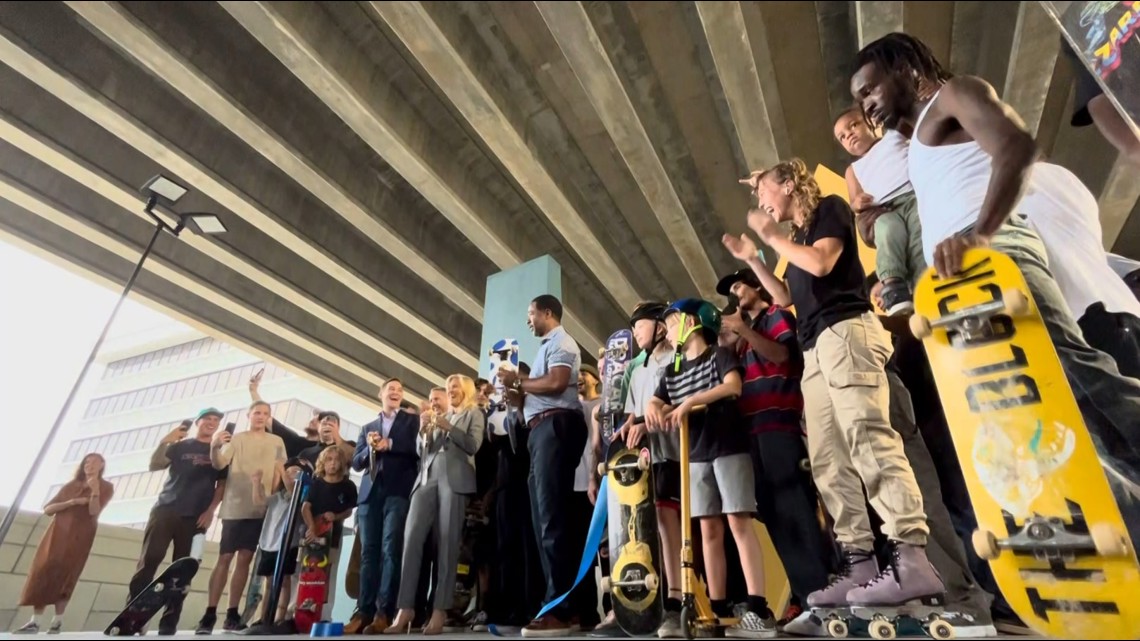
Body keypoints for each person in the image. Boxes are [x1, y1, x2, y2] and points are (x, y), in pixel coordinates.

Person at [850, 31, 1140, 492]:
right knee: (1050, 421)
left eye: (870, 89)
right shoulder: (916, 150)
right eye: (860, 99)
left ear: (905, 67)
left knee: (1075, 375)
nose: (866, 105)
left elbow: (1017, 146)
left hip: (996, 251)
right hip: (965, 280)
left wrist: (980, 233)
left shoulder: (953, 95)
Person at [732, 158, 944, 610]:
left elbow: (823, 262)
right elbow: (784, 297)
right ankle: (859, 563)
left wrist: (771, 238)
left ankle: (911, 557)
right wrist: (753, 259)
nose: (760, 200)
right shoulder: (795, 238)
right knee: (828, 461)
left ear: (789, 184)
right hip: (814, 350)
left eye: (763, 190)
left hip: (845, 331)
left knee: (869, 440)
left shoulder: (829, 209)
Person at [647, 298, 777, 638]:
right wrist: (652, 406)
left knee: (738, 522)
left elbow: (733, 386)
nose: (667, 331)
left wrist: (690, 401)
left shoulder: (719, 355)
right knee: (708, 529)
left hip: (728, 447)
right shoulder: (673, 370)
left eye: (672, 323)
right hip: (695, 453)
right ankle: (718, 609)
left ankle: (758, 607)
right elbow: (658, 399)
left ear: (691, 323)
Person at [714, 269, 835, 633]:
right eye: (732, 290)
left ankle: (822, 599)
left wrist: (745, 330)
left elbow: (783, 356)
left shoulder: (776, 315)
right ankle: (805, 597)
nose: (736, 294)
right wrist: (729, 341)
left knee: (796, 511)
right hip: (752, 433)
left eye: (739, 286)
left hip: (779, 428)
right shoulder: (744, 337)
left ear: (756, 285)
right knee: (777, 518)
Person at [388, 374, 486, 635]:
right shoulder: (437, 416)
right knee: (411, 538)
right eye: (448, 387)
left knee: (448, 543)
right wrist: (423, 433)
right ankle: (405, 608)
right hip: (426, 479)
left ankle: (440, 609)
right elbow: (423, 452)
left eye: (455, 387)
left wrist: (449, 427)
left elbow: (473, 445)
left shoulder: (474, 414)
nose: (450, 390)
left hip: (454, 480)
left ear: (466, 390)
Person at [611, 301, 686, 638]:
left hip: (674, 450)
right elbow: (633, 413)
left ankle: (679, 599)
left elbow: (678, 400)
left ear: (659, 326)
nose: (635, 333)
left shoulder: (675, 359)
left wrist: (644, 421)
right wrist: (626, 428)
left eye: (639, 326)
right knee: (654, 526)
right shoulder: (638, 369)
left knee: (675, 524)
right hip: (647, 459)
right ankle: (669, 596)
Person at [127, 411, 226, 635]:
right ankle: (135, 614)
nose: (211, 423)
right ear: (198, 422)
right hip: (166, 509)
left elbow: (221, 485)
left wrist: (211, 511)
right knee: (149, 560)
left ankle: (168, 622)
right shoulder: (181, 446)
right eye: (207, 419)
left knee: (182, 570)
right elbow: (155, 464)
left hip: (195, 517)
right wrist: (165, 441)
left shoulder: (219, 451)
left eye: (216, 421)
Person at [199, 400, 287, 634]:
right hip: (234, 505)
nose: (261, 416)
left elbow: (280, 471)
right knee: (225, 557)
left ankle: (232, 613)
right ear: (249, 415)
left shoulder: (277, 441)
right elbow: (219, 462)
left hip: (260, 508)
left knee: (245, 559)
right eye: (257, 412)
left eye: (265, 413)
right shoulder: (237, 439)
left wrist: (271, 499)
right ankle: (209, 613)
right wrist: (214, 446)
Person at [833, 108, 926, 315]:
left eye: (853, 125)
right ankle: (892, 284)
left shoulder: (893, 138)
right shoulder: (853, 169)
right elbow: (854, 202)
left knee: (918, 237)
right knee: (888, 230)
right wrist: (858, 202)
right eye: (842, 137)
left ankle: (923, 285)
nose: (849, 135)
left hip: (911, 197)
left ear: (873, 122)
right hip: (882, 210)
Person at [348, 379, 420, 634]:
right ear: (381, 394)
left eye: (400, 390)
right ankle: (363, 612)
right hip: (370, 495)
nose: (396, 392)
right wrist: (369, 448)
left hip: (398, 492)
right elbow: (356, 463)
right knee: (368, 553)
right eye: (391, 389)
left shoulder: (413, 422)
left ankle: (384, 612)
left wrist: (390, 445)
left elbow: (419, 449)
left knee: (391, 549)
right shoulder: (367, 427)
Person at [12, 453, 113, 634]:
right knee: (44, 571)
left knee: (68, 575)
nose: (89, 465)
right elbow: (48, 509)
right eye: (86, 462)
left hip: (80, 537)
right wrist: (71, 502)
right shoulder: (71, 486)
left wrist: (95, 490)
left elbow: (94, 511)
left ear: (102, 465)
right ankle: (35, 621)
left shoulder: (106, 487)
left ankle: (57, 622)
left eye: (93, 462)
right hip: (57, 534)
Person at [250, 459, 306, 626]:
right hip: (269, 543)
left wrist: (281, 469)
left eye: (294, 472)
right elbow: (259, 502)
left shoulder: (299, 495)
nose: (290, 474)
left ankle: (280, 617)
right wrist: (256, 483)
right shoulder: (277, 496)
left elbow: (292, 488)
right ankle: (264, 617)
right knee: (269, 582)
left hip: (287, 544)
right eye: (288, 472)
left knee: (284, 581)